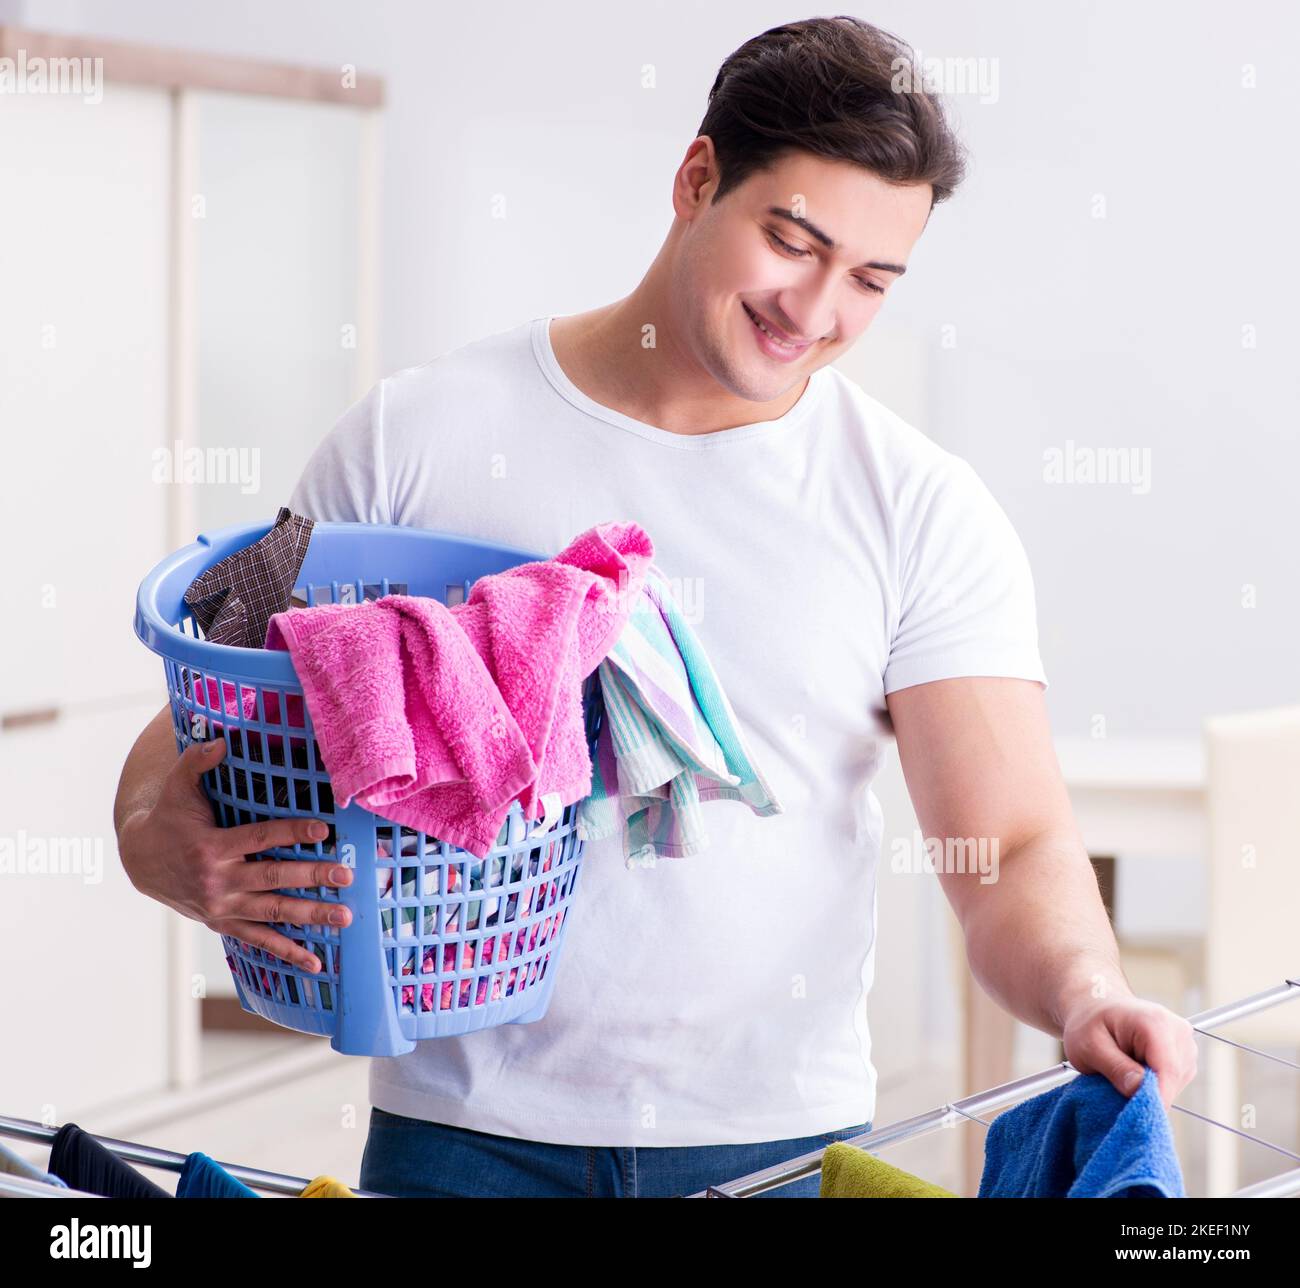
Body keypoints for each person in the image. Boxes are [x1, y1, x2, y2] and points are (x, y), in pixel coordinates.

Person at [114, 15, 1197, 1198]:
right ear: (696, 180)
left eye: (872, 280)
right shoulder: (413, 439)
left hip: (776, 1145)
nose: (816, 307)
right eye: (792, 240)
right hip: (461, 1137)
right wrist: (150, 838)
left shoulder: (916, 506)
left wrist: (1087, 986)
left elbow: (1010, 848)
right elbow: (206, 727)